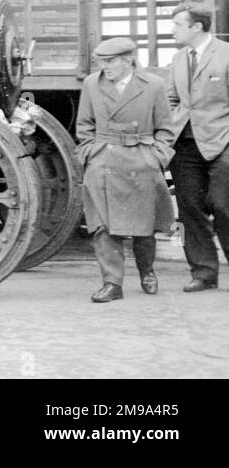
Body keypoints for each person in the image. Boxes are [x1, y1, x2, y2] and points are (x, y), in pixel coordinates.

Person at [75, 37, 176, 302]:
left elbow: (166, 128)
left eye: (110, 61)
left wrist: (155, 157)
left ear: (128, 60)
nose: (104, 67)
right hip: (103, 161)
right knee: (103, 226)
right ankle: (112, 283)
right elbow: (84, 126)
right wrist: (91, 154)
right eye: (101, 62)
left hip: (141, 161)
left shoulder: (153, 85)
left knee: (144, 225)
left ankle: (147, 271)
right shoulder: (92, 84)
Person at [166, 2, 229, 292]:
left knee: (223, 205)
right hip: (186, 144)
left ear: (197, 27)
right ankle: (203, 273)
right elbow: (172, 99)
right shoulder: (179, 59)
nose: (173, 30)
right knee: (189, 208)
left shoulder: (226, 54)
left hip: (222, 141)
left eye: (178, 24)